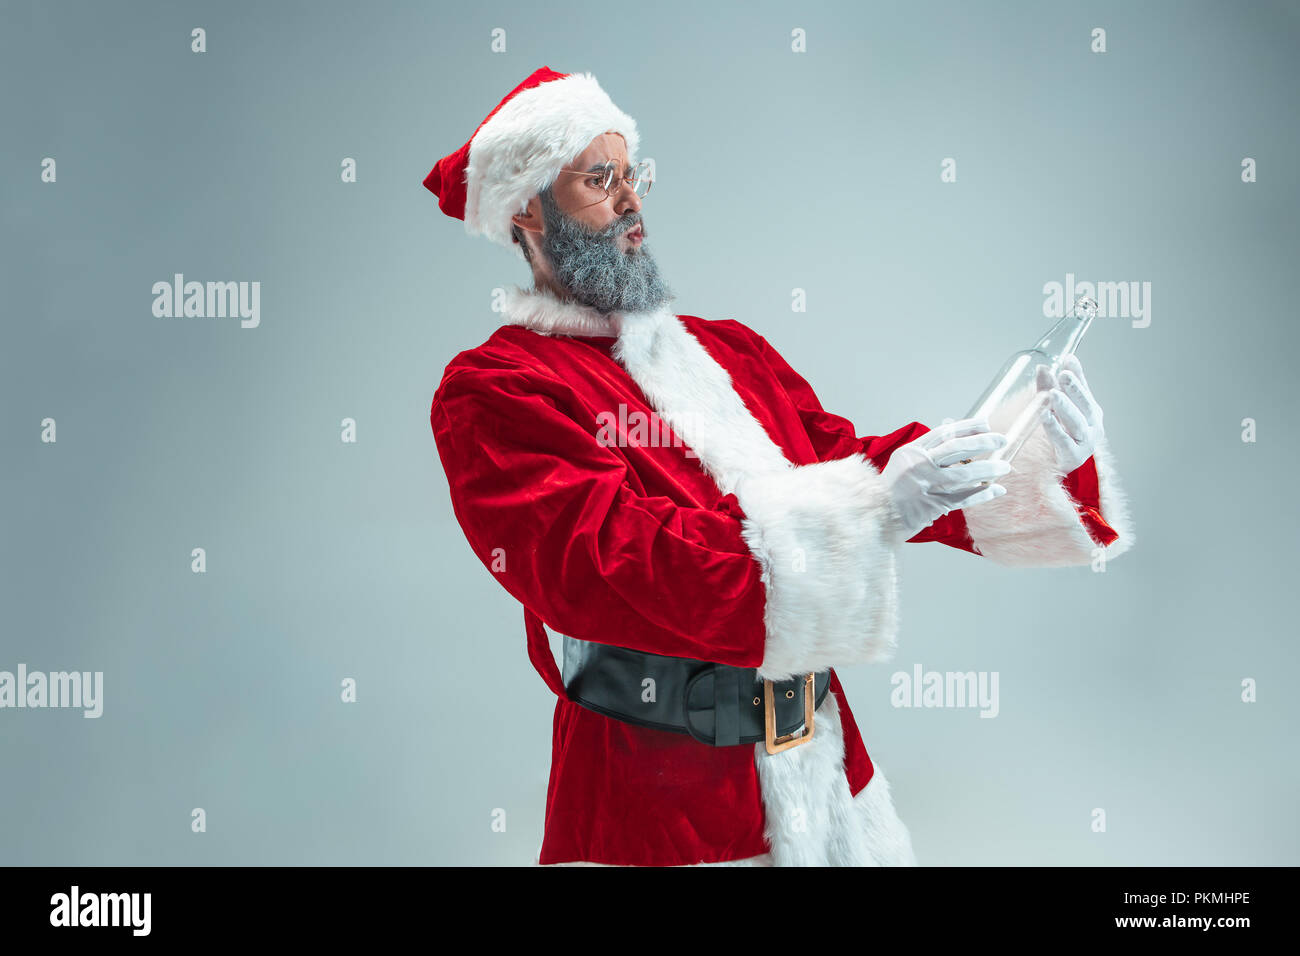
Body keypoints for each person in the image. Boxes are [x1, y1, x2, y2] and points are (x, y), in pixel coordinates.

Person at [423, 66, 1135, 866]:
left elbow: (846, 459)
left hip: (824, 774)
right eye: (599, 179)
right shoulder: (495, 390)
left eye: (634, 176)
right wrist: (870, 512)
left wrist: (1024, 453)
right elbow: (607, 560)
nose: (631, 205)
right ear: (525, 207)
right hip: (655, 804)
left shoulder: (727, 350)